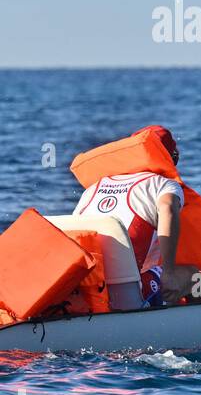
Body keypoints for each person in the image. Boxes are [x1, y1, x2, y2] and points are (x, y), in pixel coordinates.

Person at [73, 126, 194, 305]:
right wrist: (169, 272)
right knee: (194, 276)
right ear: (170, 157)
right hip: (127, 291)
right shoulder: (164, 185)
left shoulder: (95, 187)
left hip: (84, 286)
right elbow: (168, 208)